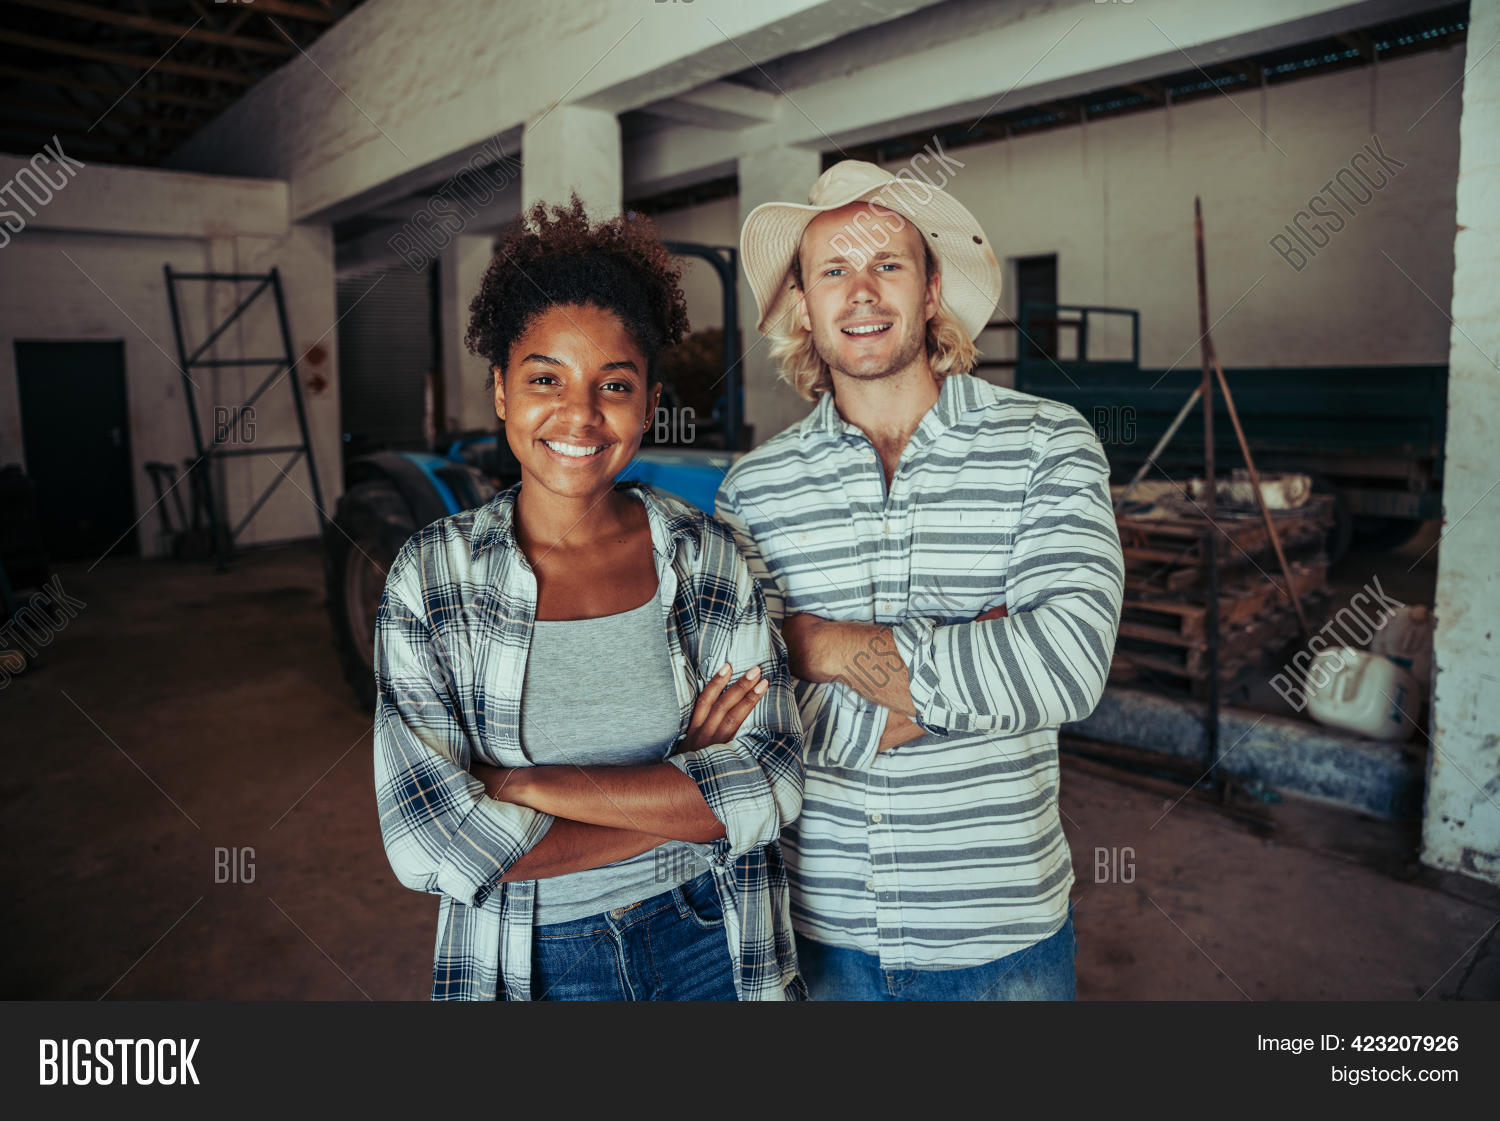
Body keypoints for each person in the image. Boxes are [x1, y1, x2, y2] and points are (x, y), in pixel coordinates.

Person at [374, 196, 805, 1001]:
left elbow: (772, 783)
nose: (579, 414)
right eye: (546, 379)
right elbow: (428, 842)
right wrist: (681, 787)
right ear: (502, 390)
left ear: (648, 402)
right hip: (532, 960)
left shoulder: (703, 557)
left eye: (613, 384)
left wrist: (523, 784)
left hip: (712, 938)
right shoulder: (432, 579)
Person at [716, 160, 1124, 1000]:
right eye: (832, 269)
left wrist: (815, 644)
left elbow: (1065, 667)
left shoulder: (1046, 442)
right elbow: (745, 717)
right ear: (803, 302)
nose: (859, 291)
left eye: (886, 264)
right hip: (822, 936)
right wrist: (981, 662)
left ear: (932, 290)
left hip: (1003, 938)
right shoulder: (753, 490)